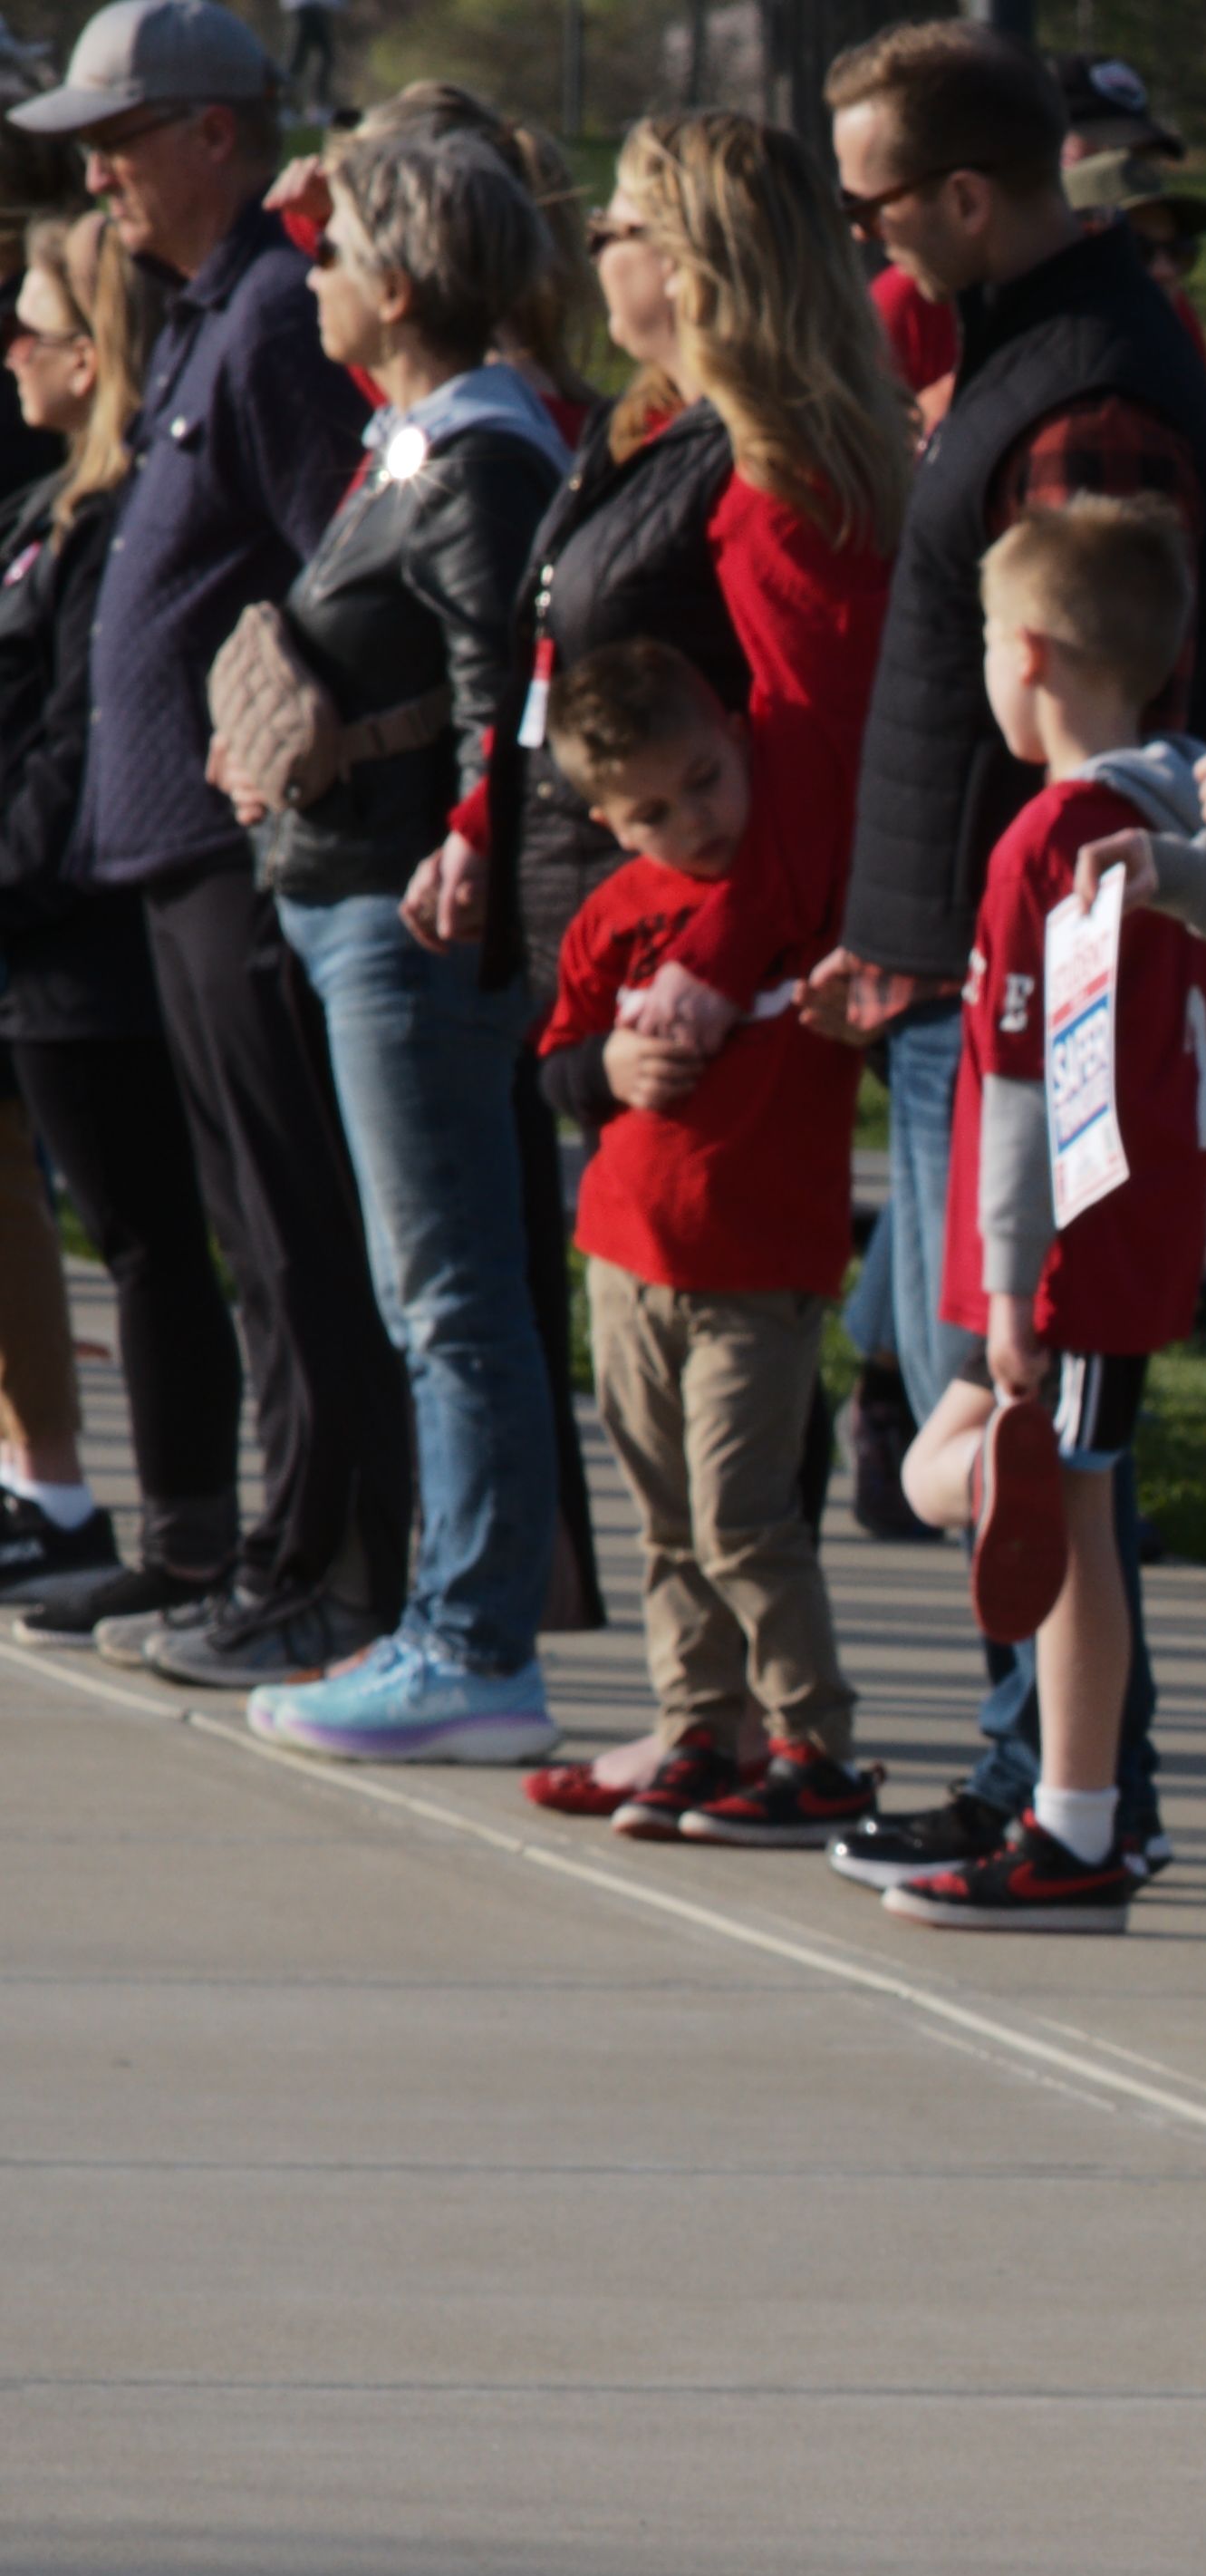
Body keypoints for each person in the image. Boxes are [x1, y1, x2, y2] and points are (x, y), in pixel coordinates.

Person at [806, 17, 1206, 1900]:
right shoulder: (1017, 353)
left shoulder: (1087, 395)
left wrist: (964, 941)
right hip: (953, 954)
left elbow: (1094, 681)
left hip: (1025, 992)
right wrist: (892, 929)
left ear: (968, 193)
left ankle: (1071, 1790)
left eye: (875, 202)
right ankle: (1032, 1775)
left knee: (1021, 1427)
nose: (863, 238)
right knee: (968, 1401)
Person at [441, 108, 899, 1812]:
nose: (598, 254)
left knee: (726, 1460)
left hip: (735, 1009)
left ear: (699, 267)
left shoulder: (774, 482)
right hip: (652, 981)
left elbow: (801, 772)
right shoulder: (680, 436)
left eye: (626, 227)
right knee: (653, 1448)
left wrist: (702, 964)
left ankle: (793, 1732)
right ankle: (704, 1718)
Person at [24, 0, 399, 1692]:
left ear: (217, 138)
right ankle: (277, 1551)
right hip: (174, 849)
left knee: (295, 1228)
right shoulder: (203, 315)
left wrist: (297, 756)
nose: (96, 170)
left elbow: (357, 564)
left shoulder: (266, 323)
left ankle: (330, 1572)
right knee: (256, 1230)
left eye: (122, 135)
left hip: (246, 847)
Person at [229, 117, 572, 1767]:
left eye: (341, 255)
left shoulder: (482, 458)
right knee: (422, 1282)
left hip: (402, 927)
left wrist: (465, 843)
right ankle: (449, 1617)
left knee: (448, 1292)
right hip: (348, 902)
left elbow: (514, 695)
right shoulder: (422, 435)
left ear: (409, 283)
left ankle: (474, 1642)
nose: (310, 277)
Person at [873, 498, 1206, 1933]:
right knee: (1028, 1492)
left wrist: (1011, 1287)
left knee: (1060, 1511)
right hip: (1110, 1234)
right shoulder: (1182, 799)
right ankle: (1070, 1813)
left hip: (1069, 1248)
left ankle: (1077, 1824)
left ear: (1030, 655)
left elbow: (1027, 1082)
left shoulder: (1057, 839)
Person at [531, 643, 875, 1842]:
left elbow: (870, 1014)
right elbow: (558, 1067)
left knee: (744, 1519)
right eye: (654, 813)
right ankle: (694, 1729)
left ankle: (812, 1743)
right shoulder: (614, 918)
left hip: (760, 1271)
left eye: (708, 781)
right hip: (629, 1264)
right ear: (609, 823)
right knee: (666, 1519)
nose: (695, 823)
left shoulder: (794, 899)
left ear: (739, 737)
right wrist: (609, 1067)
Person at [0, 203, 234, 1641]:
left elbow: (76, 752)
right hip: (43, 944)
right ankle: (169, 1532)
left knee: (153, 1242)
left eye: (30, 324)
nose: (8, 347)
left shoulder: (122, 520)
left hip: (84, 946)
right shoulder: (58, 513)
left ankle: (191, 1538)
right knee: (139, 1244)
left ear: (93, 358)